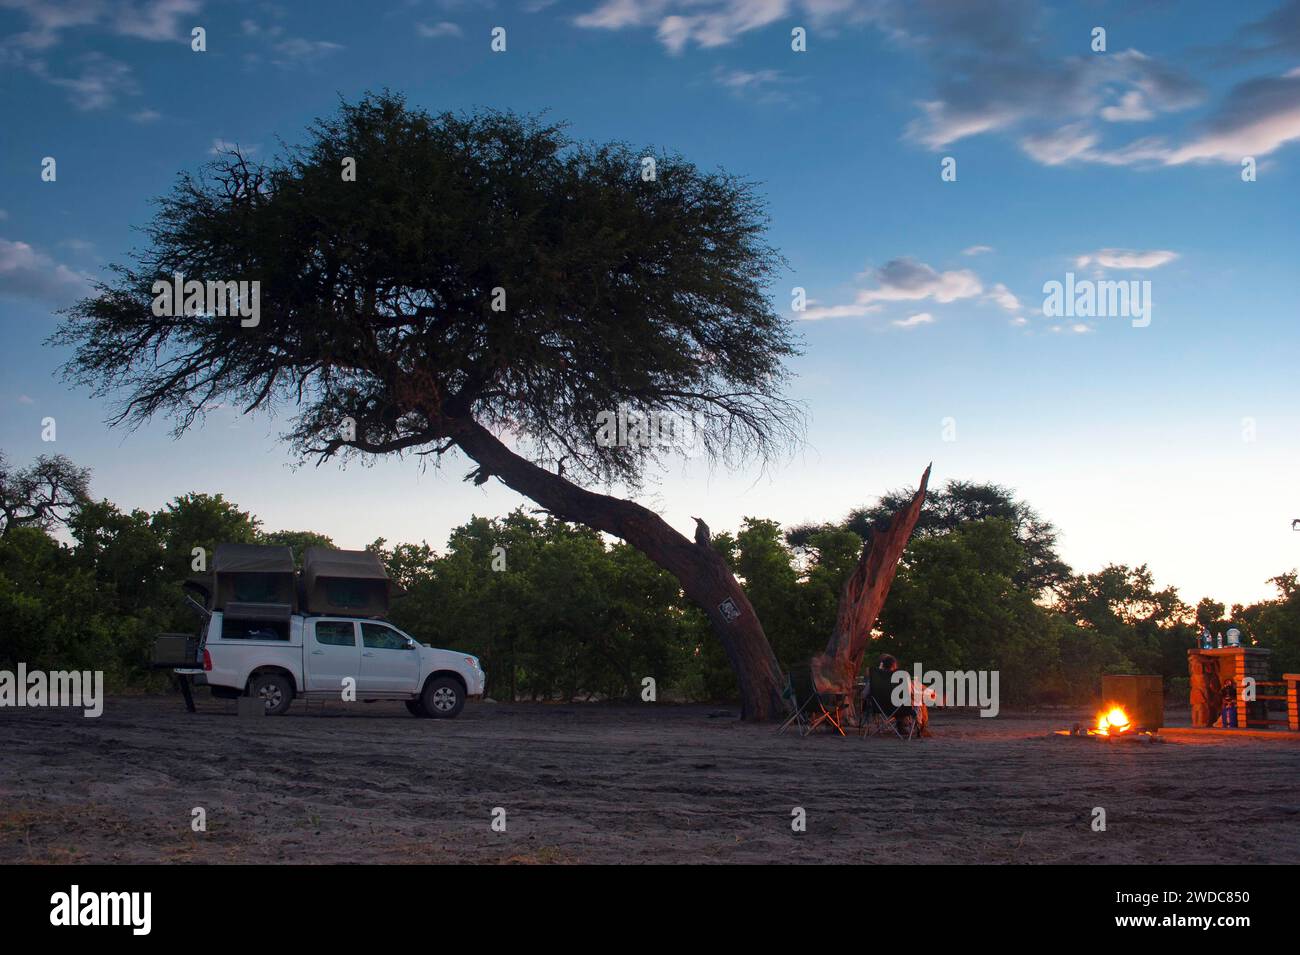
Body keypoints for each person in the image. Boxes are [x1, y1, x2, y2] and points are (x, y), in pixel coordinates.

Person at [865, 653, 930, 736]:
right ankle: (921, 729)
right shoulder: (901, 677)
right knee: (918, 698)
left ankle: (901, 726)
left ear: (882, 666)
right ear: (894, 666)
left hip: (879, 708)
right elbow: (913, 693)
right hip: (901, 709)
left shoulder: (874, 679)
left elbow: (864, 695)